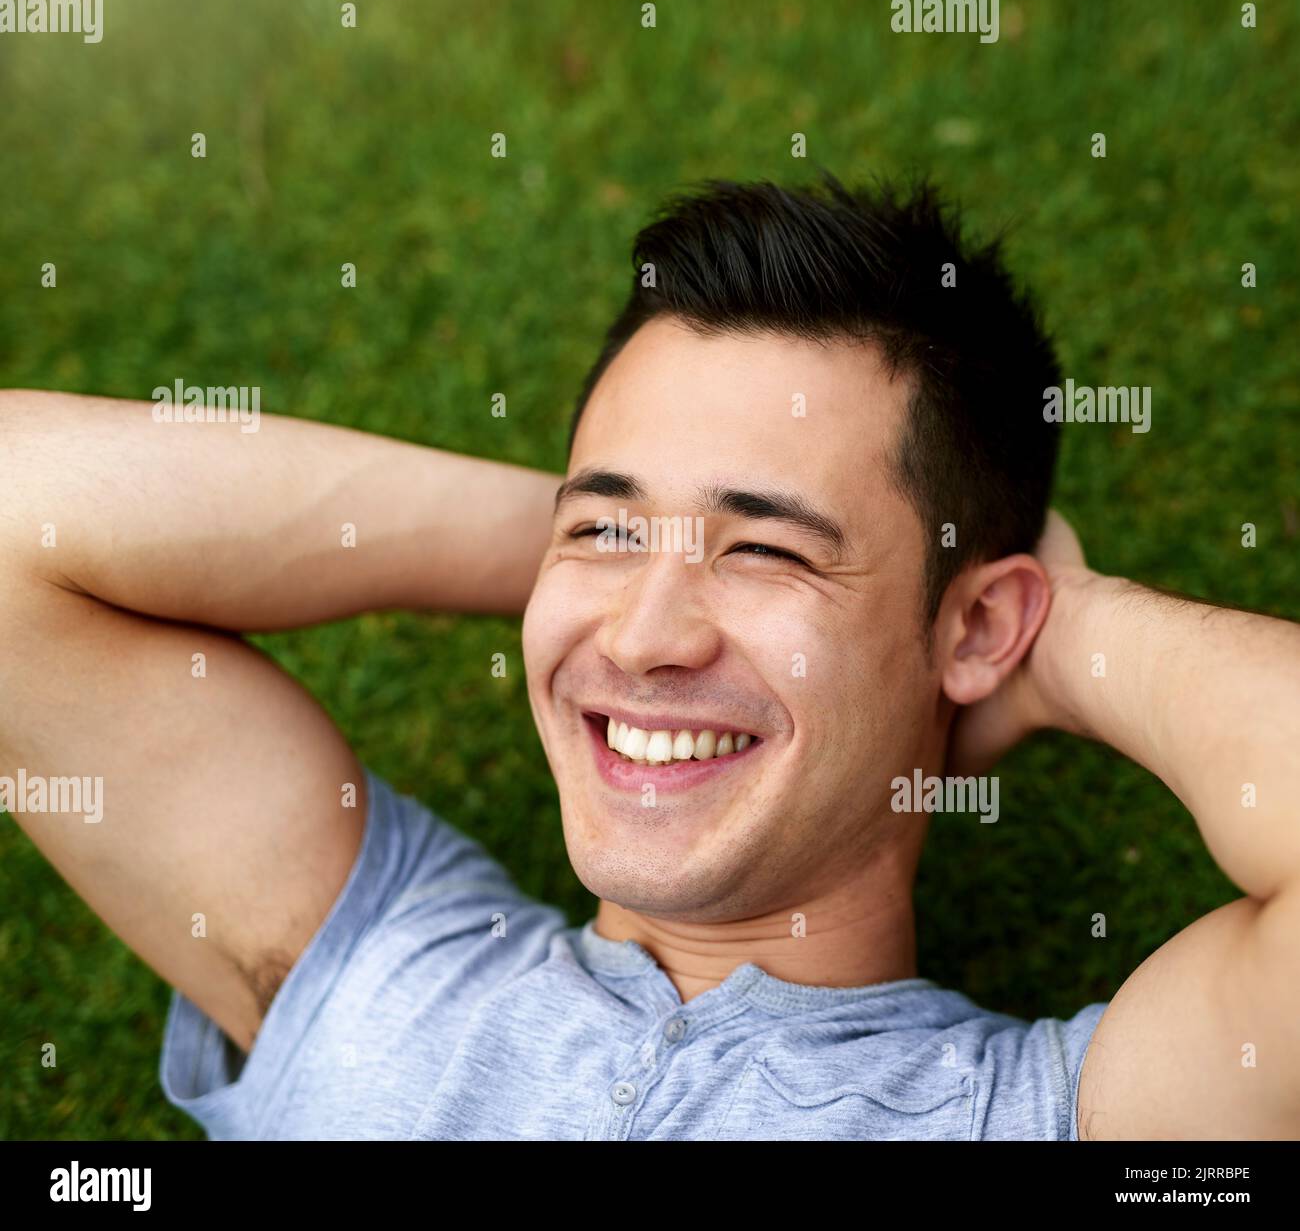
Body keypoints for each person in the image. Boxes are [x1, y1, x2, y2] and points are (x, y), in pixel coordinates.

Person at [2, 173, 1296, 1141]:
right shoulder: (379, 975)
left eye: (771, 554)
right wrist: (584, 544)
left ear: (973, 627)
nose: (642, 636)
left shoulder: (1041, 1121)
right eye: (606, 532)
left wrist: (1062, 637)